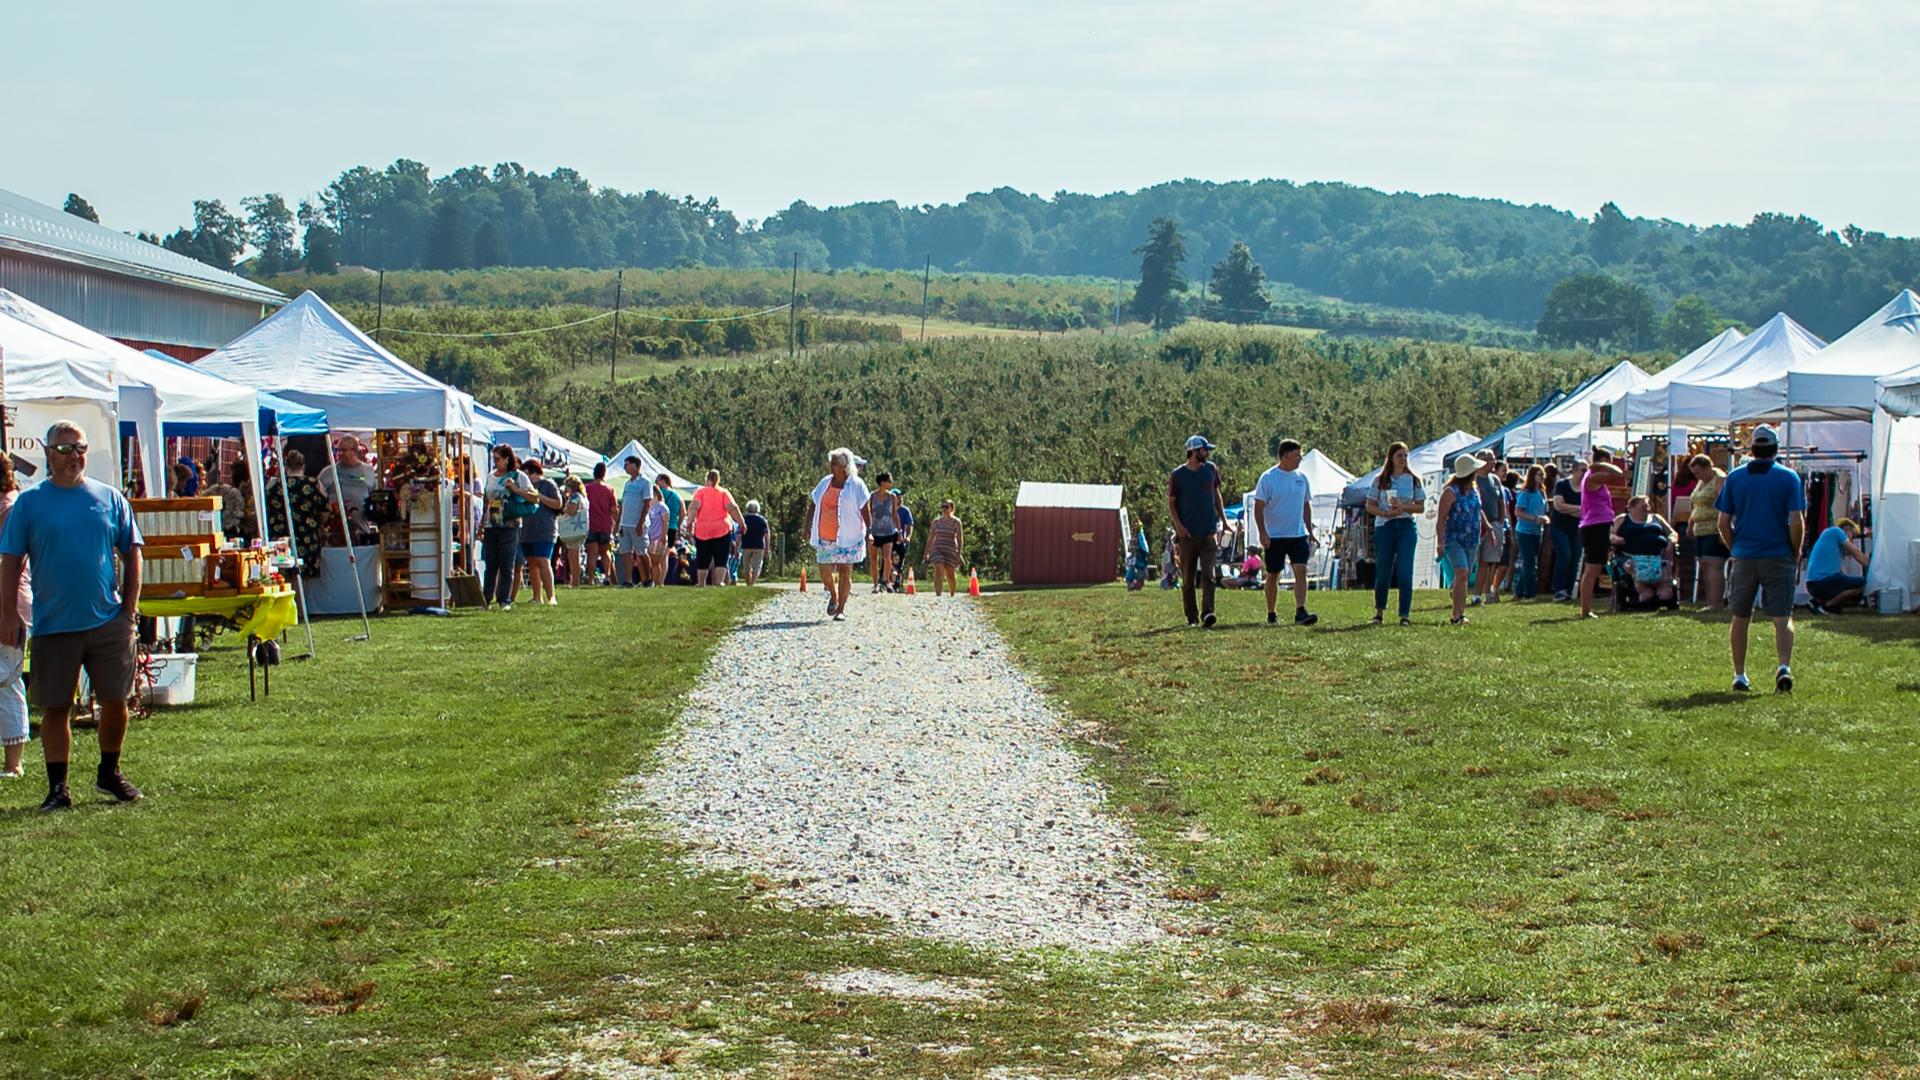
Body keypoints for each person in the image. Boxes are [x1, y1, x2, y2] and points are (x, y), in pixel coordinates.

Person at [0, 420, 145, 811]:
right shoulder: (30, 503)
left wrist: (129, 609)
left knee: (116, 700)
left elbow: (132, 551)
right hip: (53, 623)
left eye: (79, 448)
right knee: (56, 707)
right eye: (64, 449)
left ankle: (109, 772)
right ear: (48, 454)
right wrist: (9, 612)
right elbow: (11, 560)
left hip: (107, 621)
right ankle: (58, 787)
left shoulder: (109, 497)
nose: (73, 457)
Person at [1715, 425, 1805, 693]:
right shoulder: (1789, 477)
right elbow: (1796, 522)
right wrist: (1795, 551)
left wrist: (1735, 548)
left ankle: (1740, 674)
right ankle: (1783, 666)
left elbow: (1723, 522)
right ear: (1776, 449)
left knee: (1740, 617)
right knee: (1782, 616)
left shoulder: (1735, 477)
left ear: (1752, 449)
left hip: (1745, 554)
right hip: (1778, 553)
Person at [1252, 438, 1318, 626]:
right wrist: (1262, 531)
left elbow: (1306, 505)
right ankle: (1271, 612)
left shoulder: (1301, 478)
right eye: (1297, 455)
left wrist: (1309, 530)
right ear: (1286, 456)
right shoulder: (1268, 478)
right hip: (1275, 535)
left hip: (1298, 534)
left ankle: (1300, 610)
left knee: (1301, 569)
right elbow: (1259, 507)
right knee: (1273, 574)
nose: (1300, 459)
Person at [1168, 435, 1228, 628]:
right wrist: (1179, 526)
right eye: (1204, 450)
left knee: (1209, 576)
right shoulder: (1178, 475)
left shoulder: (1211, 470)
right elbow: (1172, 503)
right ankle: (1191, 617)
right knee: (1187, 580)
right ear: (1193, 451)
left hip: (1209, 533)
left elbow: (1216, 495)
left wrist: (1224, 521)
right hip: (1187, 536)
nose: (1207, 453)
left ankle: (1208, 613)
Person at [1366, 441, 1424, 626]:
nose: (1403, 459)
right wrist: (1385, 513)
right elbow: (1370, 505)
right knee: (1383, 571)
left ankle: (1404, 614)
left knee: (1405, 571)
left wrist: (1404, 507)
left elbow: (1421, 507)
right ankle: (1379, 612)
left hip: (1406, 526)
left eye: (1406, 455)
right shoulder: (1380, 479)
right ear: (1391, 457)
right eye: (1400, 455)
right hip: (1385, 526)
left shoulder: (1414, 479)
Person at [809, 448, 871, 620]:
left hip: (849, 537)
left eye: (835, 463)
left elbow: (865, 509)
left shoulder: (857, 485)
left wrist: (869, 532)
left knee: (845, 571)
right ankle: (833, 595)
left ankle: (841, 609)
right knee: (825, 572)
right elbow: (813, 503)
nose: (831, 466)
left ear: (845, 466)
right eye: (831, 462)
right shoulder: (825, 482)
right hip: (825, 536)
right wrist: (807, 526)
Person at [1437, 454, 1493, 625]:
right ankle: (1458, 615)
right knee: (1462, 574)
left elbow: (1478, 511)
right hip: (1454, 539)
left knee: (1464, 575)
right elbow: (1441, 519)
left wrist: (1488, 527)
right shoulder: (1450, 492)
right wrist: (1440, 543)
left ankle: (1457, 594)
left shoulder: (1474, 490)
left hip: (1472, 539)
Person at [0, 459, 28, 779]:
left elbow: (11, 563)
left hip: (9, 607)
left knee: (5, 679)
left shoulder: (11, 509)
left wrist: (9, 615)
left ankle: (13, 763)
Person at [482, 444, 535, 610]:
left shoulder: (518, 476)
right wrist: (481, 524)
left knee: (506, 563)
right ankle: (486, 598)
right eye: (493, 458)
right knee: (490, 563)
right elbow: (487, 500)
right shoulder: (491, 476)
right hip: (491, 524)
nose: (495, 462)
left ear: (506, 459)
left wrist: (515, 489)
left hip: (509, 524)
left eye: (497, 459)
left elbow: (534, 498)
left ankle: (504, 599)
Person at [265, 449, 329, 579]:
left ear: (286, 466)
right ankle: (301, 599)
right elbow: (326, 509)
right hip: (307, 537)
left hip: (280, 539)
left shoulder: (275, 485)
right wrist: (319, 524)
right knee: (304, 579)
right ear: (303, 467)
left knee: (281, 577)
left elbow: (264, 507)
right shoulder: (314, 484)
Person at [1576, 450, 1624, 619]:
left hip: (1598, 524)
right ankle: (1585, 609)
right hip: (1594, 526)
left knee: (1594, 568)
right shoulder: (1593, 477)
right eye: (1608, 462)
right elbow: (1618, 473)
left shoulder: (1594, 479)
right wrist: (1601, 465)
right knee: (1592, 569)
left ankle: (1586, 608)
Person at [1611, 496, 1678, 605]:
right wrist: (1615, 538)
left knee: (1665, 566)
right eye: (1643, 505)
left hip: (1657, 556)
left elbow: (1673, 533)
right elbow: (1609, 534)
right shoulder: (1622, 519)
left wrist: (1671, 542)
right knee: (1631, 566)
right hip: (1630, 556)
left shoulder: (1657, 518)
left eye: (1647, 505)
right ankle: (1643, 590)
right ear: (1630, 508)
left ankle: (1664, 590)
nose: (1646, 507)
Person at [688, 469, 745, 587]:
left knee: (703, 556)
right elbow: (732, 508)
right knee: (721, 557)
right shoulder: (723, 492)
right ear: (718, 480)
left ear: (706, 479)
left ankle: (701, 582)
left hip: (703, 530)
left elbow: (694, 508)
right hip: (722, 529)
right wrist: (741, 522)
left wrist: (689, 523)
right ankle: (719, 582)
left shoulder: (700, 492)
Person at [518, 459, 564, 606]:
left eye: (526, 473)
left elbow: (558, 503)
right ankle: (537, 597)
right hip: (527, 530)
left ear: (533, 472)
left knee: (543, 561)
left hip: (545, 529)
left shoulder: (548, 484)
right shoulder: (524, 487)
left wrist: (540, 497)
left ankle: (551, 596)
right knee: (531, 563)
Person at [1687, 454, 1729, 610]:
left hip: (1714, 528)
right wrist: (1690, 523)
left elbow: (1724, 504)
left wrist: (1723, 529)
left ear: (1708, 468)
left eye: (1699, 472)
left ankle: (1716, 603)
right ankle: (1710, 601)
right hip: (1700, 529)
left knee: (1714, 564)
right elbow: (1696, 505)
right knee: (1704, 564)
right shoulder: (1701, 482)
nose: (1697, 476)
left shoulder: (1719, 480)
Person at [319, 436, 379, 543]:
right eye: (339, 450)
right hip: (334, 532)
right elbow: (318, 496)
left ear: (355, 451)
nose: (341, 454)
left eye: (345, 450)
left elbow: (375, 496)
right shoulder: (327, 472)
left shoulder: (368, 471)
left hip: (361, 530)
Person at [1805, 517, 1868, 614]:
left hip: (1812, 584)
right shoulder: (1837, 532)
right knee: (1862, 584)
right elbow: (1856, 553)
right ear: (1848, 530)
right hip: (1822, 582)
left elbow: (1842, 574)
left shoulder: (1829, 539)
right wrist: (1872, 567)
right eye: (1852, 536)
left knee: (1852, 591)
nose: (1851, 540)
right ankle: (1827, 606)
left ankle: (1816, 602)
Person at [1549, 461, 1585, 601]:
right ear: (1574, 470)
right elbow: (1558, 506)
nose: (1585, 473)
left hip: (1576, 528)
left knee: (1575, 557)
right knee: (1565, 554)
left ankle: (1569, 590)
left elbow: (1585, 511)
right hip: (1559, 526)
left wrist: (1570, 509)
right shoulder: (1562, 485)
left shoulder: (1586, 488)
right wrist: (1578, 508)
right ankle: (1559, 589)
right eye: (1583, 470)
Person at [1511, 465, 1548, 601]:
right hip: (1524, 531)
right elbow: (1518, 512)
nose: (1542, 478)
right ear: (1532, 476)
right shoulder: (1525, 493)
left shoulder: (1542, 492)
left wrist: (1543, 519)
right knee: (1530, 562)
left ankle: (1519, 592)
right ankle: (1529, 593)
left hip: (1537, 531)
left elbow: (1543, 510)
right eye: (1539, 475)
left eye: (1543, 475)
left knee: (1529, 563)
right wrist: (1534, 518)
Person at [615, 458, 651, 588]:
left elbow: (647, 504)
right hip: (625, 524)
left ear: (636, 465)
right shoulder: (627, 483)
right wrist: (618, 524)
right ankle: (628, 581)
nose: (625, 467)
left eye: (627, 464)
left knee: (641, 552)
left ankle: (648, 579)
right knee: (626, 552)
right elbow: (623, 505)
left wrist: (640, 523)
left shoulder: (645, 482)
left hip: (637, 524)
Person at [584, 461, 618, 586]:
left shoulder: (587, 488)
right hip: (605, 525)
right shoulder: (610, 489)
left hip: (591, 524)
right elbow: (614, 509)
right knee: (605, 552)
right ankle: (607, 576)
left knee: (592, 553)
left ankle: (591, 579)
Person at [1670, 458, 1699, 603]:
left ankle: (1686, 591)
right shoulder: (1695, 485)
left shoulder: (1676, 485)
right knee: (1692, 560)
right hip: (1689, 524)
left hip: (1679, 524)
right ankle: (1694, 592)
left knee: (1684, 562)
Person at [866, 472, 901, 593]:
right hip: (874, 532)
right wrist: (868, 531)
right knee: (874, 558)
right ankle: (875, 583)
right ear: (882, 483)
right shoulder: (872, 496)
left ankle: (886, 581)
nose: (891, 483)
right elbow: (868, 513)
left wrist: (899, 531)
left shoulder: (892, 497)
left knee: (887, 557)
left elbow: (894, 514)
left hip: (888, 532)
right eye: (889, 481)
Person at [556, 476, 589, 587]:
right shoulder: (583, 497)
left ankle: (575, 582)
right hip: (580, 529)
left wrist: (565, 508)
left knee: (573, 556)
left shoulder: (575, 497)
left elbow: (572, 511)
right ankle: (575, 580)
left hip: (573, 530)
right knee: (575, 555)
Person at [652, 474, 681, 587]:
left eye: (657, 480)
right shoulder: (676, 495)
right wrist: (677, 524)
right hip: (673, 527)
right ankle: (661, 581)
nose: (656, 482)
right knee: (665, 557)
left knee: (656, 557)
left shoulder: (659, 493)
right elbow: (683, 512)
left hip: (659, 527)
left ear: (663, 481)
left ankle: (655, 580)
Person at [738, 499, 770, 586]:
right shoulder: (762, 520)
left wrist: (737, 547)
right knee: (757, 566)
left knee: (746, 567)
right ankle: (752, 583)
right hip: (759, 546)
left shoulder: (743, 519)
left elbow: (739, 535)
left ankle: (749, 583)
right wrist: (767, 547)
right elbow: (767, 535)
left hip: (746, 546)